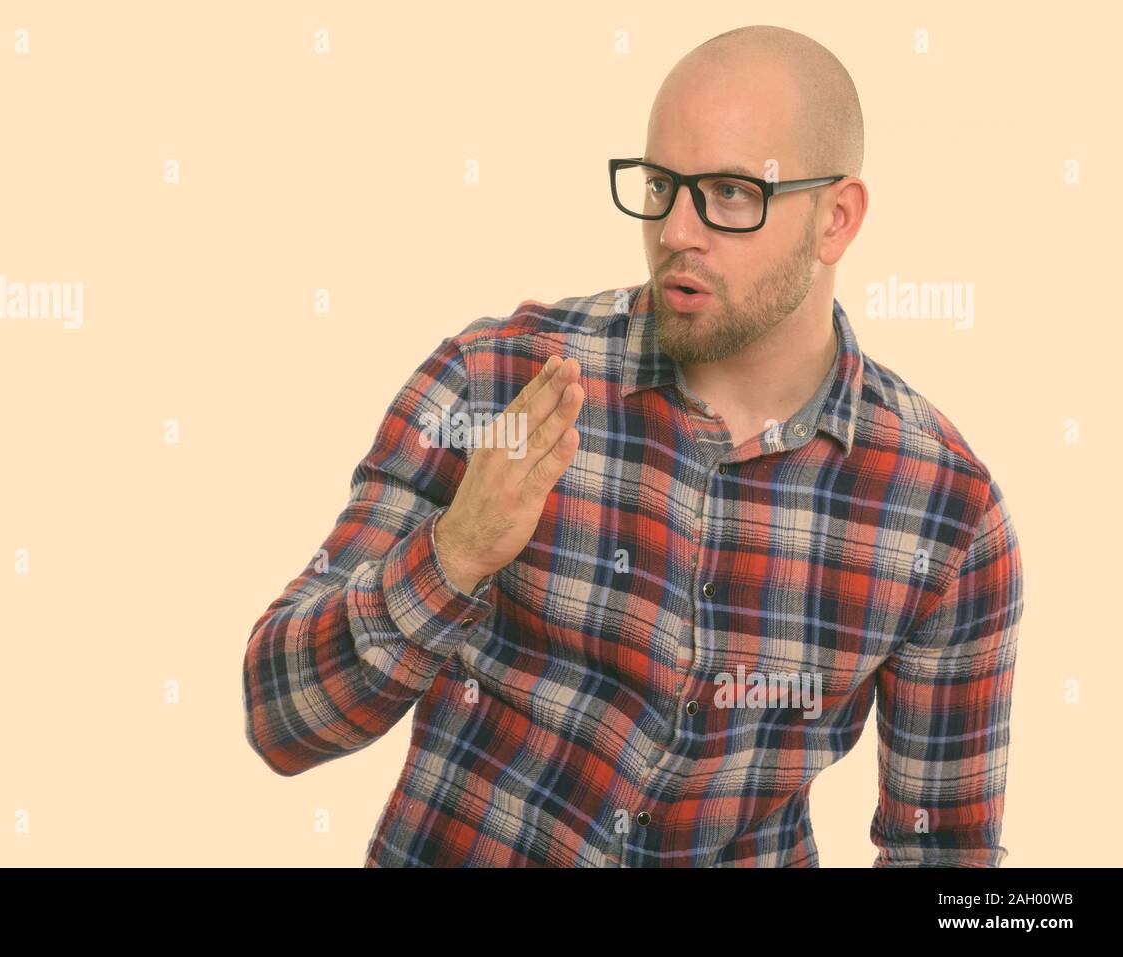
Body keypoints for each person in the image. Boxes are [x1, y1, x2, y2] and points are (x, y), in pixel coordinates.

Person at [242, 24, 1024, 867]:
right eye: (661, 186)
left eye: (729, 192)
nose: (677, 231)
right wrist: (455, 555)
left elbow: (947, 861)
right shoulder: (500, 380)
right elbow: (279, 718)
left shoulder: (946, 514)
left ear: (836, 219)